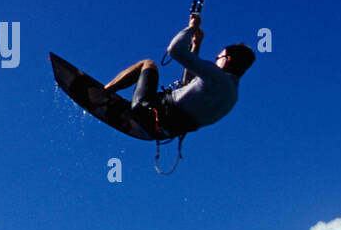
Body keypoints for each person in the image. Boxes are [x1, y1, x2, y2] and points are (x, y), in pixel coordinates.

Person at [102, 13, 255, 139]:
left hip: (147, 112)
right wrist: (196, 45)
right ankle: (129, 108)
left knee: (147, 64)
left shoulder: (216, 75)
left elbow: (174, 49)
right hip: (161, 132)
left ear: (227, 60)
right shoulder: (231, 96)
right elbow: (186, 84)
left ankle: (103, 92)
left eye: (218, 57)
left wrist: (191, 28)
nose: (215, 61)